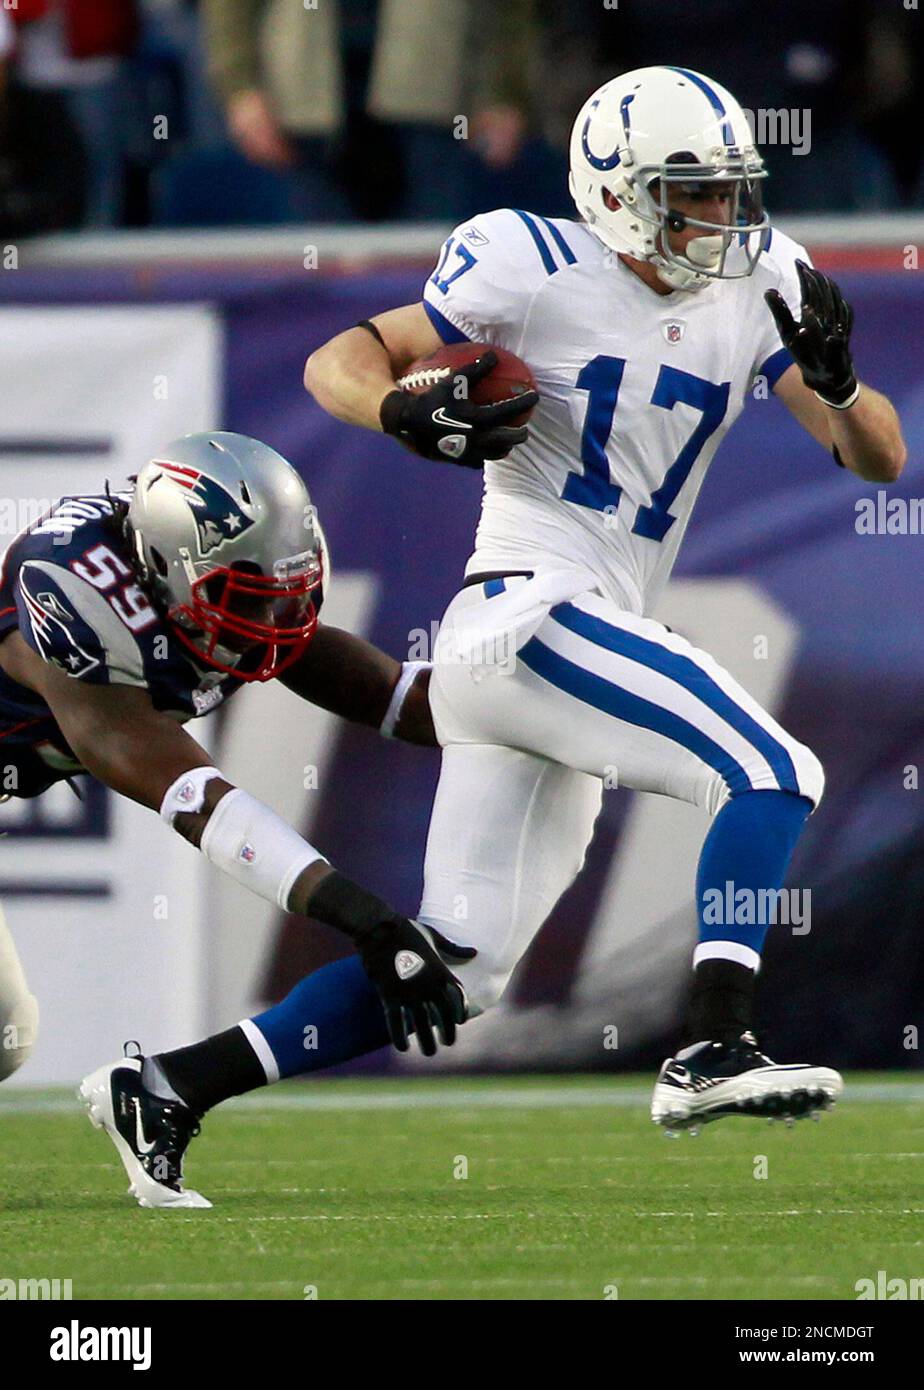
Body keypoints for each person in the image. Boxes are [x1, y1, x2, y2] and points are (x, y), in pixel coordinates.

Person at [303, 66, 906, 1134]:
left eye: (731, 188)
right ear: (621, 190)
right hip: (535, 608)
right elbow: (336, 360)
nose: (723, 213)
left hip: (561, 629)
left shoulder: (763, 278)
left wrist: (844, 384)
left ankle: (167, 1084)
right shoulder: (529, 264)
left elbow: (876, 462)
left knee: (458, 965)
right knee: (772, 769)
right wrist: (397, 408)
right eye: (695, 190)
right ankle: (713, 1043)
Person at [0, 431, 472, 1206]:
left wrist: (542, 716)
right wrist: (365, 918)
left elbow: (399, 701)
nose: (273, 619)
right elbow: (193, 798)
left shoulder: (212, 583)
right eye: (247, 597)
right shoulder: (76, 597)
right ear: (160, 568)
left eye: (282, 592)